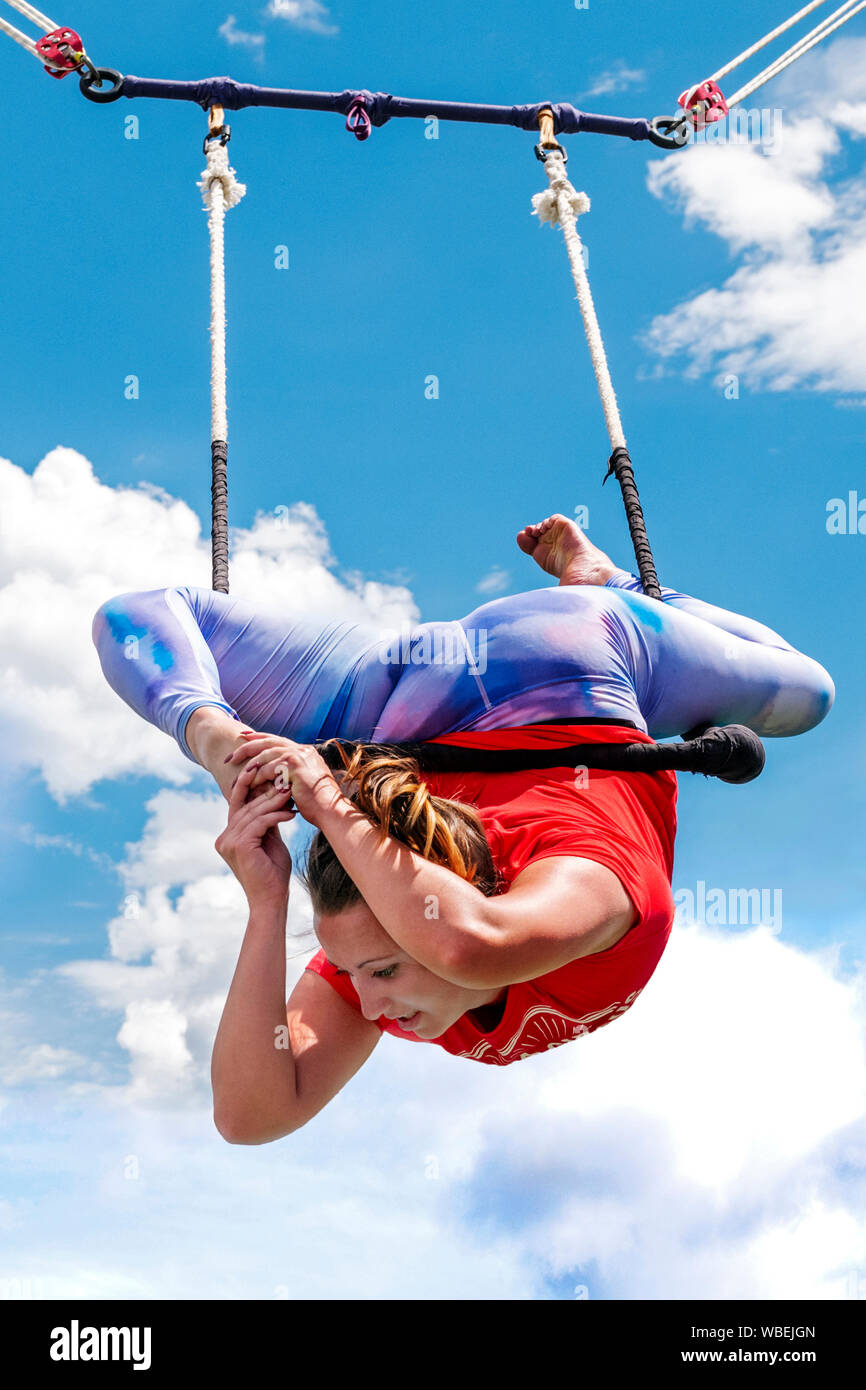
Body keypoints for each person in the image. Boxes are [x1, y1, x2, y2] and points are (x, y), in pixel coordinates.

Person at [92, 516, 834, 1142]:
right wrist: (321, 799)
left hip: (410, 712)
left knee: (810, 696)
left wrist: (266, 893)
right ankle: (609, 584)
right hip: (558, 668)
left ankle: (211, 730)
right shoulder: (595, 883)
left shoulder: (399, 938)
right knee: (807, 693)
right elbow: (464, 946)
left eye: (370, 970)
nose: (371, 1004)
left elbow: (252, 1111)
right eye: (370, 972)